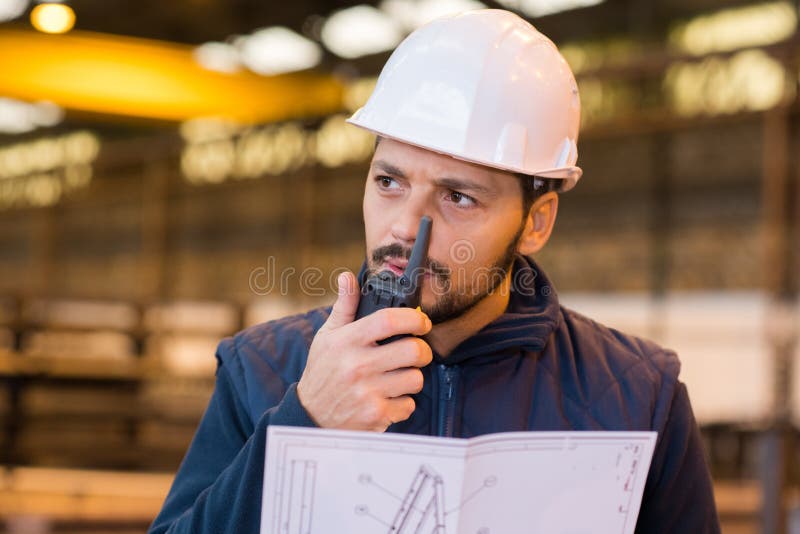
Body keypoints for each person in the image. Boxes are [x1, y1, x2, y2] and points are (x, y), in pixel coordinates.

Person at [149, 9, 720, 533]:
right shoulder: (262, 371)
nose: (404, 226)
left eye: (458, 197)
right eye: (389, 182)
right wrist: (304, 424)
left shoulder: (639, 397)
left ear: (536, 221)